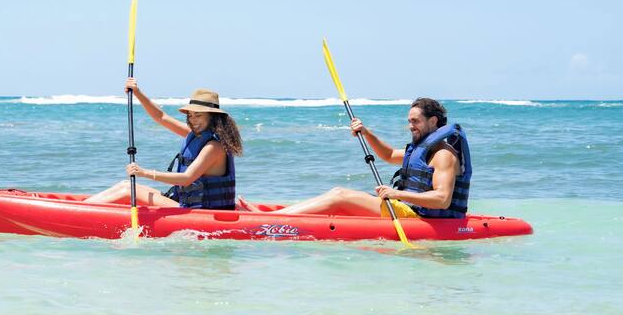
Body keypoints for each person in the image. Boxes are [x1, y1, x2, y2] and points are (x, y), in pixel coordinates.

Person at [274, 98, 472, 218]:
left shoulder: (443, 155)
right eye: (409, 121)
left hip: (418, 217)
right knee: (337, 193)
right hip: (407, 209)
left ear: (433, 121)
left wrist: (397, 195)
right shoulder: (425, 150)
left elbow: (442, 200)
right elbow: (389, 155)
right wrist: (366, 133)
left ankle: (272, 220)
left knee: (340, 196)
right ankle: (272, 215)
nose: (411, 126)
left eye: (415, 121)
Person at [85, 80, 244, 210]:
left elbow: (187, 179)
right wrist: (138, 93)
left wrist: (145, 173)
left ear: (213, 117)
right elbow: (161, 116)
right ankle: (79, 208)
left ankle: (75, 212)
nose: (193, 120)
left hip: (202, 210)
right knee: (125, 185)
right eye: (190, 115)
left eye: (199, 115)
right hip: (185, 203)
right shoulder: (195, 135)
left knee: (129, 190)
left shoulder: (214, 147)